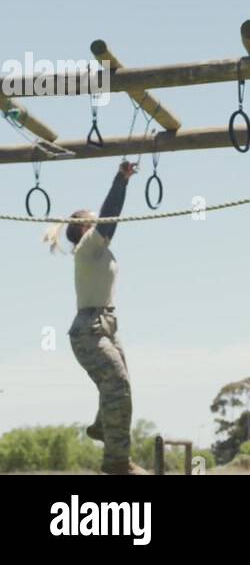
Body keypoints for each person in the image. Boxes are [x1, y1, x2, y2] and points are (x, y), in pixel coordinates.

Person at [47, 161, 146, 474]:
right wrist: (121, 180)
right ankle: (116, 463)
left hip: (106, 326)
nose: (99, 223)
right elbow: (109, 219)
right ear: (86, 229)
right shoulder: (89, 245)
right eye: (94, 221)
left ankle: (102, 427)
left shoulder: (96, 250)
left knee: (120, 386)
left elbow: (106, 222)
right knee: (118, 386)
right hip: (90, 331)